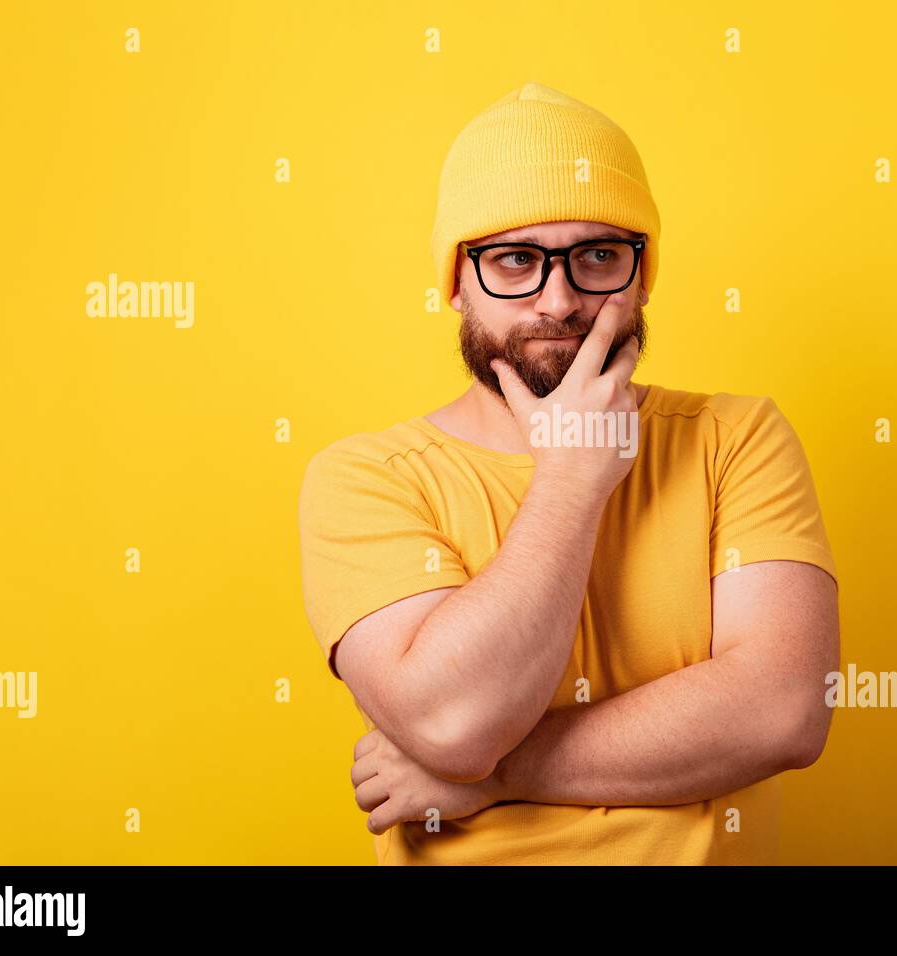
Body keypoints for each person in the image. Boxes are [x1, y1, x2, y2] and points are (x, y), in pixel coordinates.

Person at [298, 82, 840, 864]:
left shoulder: (736, 438)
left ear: (642, 274)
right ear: (456, 283)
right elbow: (453, 722)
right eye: (516, 260)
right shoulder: (366, 478)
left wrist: (495, 774)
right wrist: (572, 478)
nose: (559, 299)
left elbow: (784, 710)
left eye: (596, 256)